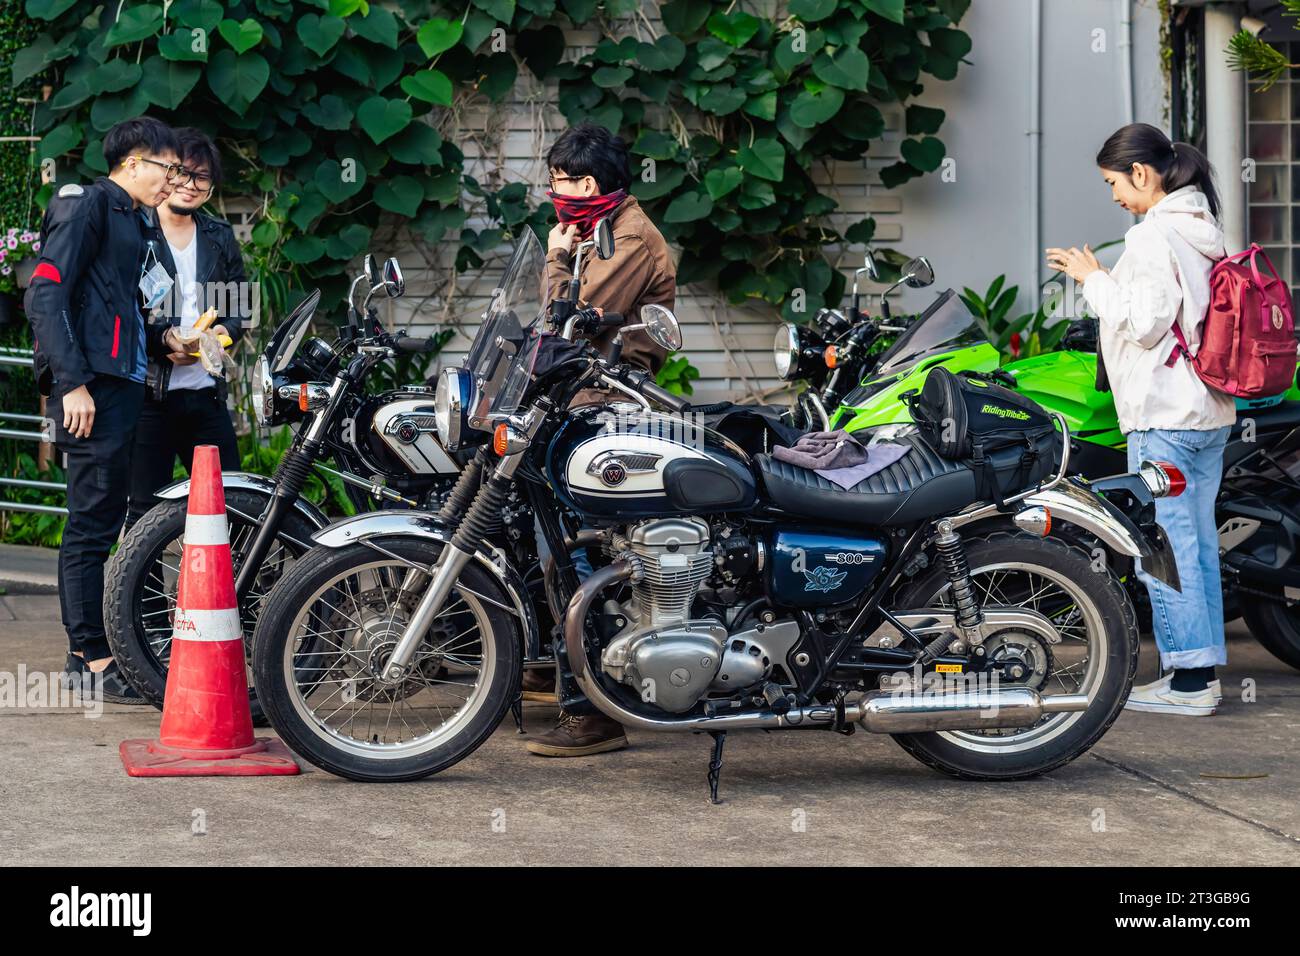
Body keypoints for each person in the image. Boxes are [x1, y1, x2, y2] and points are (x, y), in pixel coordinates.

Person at [1047, 122, 1233, 716]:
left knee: (1163, 549)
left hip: (1165, 413)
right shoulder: (1206, 230)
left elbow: (1146, 323)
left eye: (1113, 183)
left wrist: (1092, 280)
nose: (1114, 197)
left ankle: (1189, 685)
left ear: (1142, 174)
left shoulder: (1154, 237)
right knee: (1195, 544)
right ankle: (1197, 673)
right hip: (1207, 412)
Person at [25, 117, 194, 702]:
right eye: (166, 169)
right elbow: (45, 292)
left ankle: (106, 642)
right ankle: (89, 656)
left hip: (122, 386)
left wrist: (164, 340)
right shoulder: (87, 206)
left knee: (113, 517)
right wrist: (71, 384)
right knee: (92, 522)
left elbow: (123, 304)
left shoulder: (135, 220)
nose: (171, 181)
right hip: (90, 391)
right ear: (132, 164)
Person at [523, 121, 677, 757]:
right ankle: (549, 665)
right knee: (539, 534)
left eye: (559, 183)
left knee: (576, 551)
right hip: (577, 398)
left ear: (587, 183)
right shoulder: (598, 227)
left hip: (608, 407)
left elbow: (568, 322)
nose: (554, 194)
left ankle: (591, 706)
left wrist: (556, 257)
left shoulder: (630, 238)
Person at [126, 127, 249, 529]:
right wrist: (166, 344)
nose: (190, 186)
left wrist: (216, 339)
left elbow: (238, 311)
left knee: (230, 503)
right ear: (166, 173)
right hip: (149, 397)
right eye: (182, 173)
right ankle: (138, 594)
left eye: (202, 177)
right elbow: (124, 314)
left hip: (205, 395)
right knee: (145, 512)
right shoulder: (137, 234)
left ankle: (238, 592)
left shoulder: (218, 236)